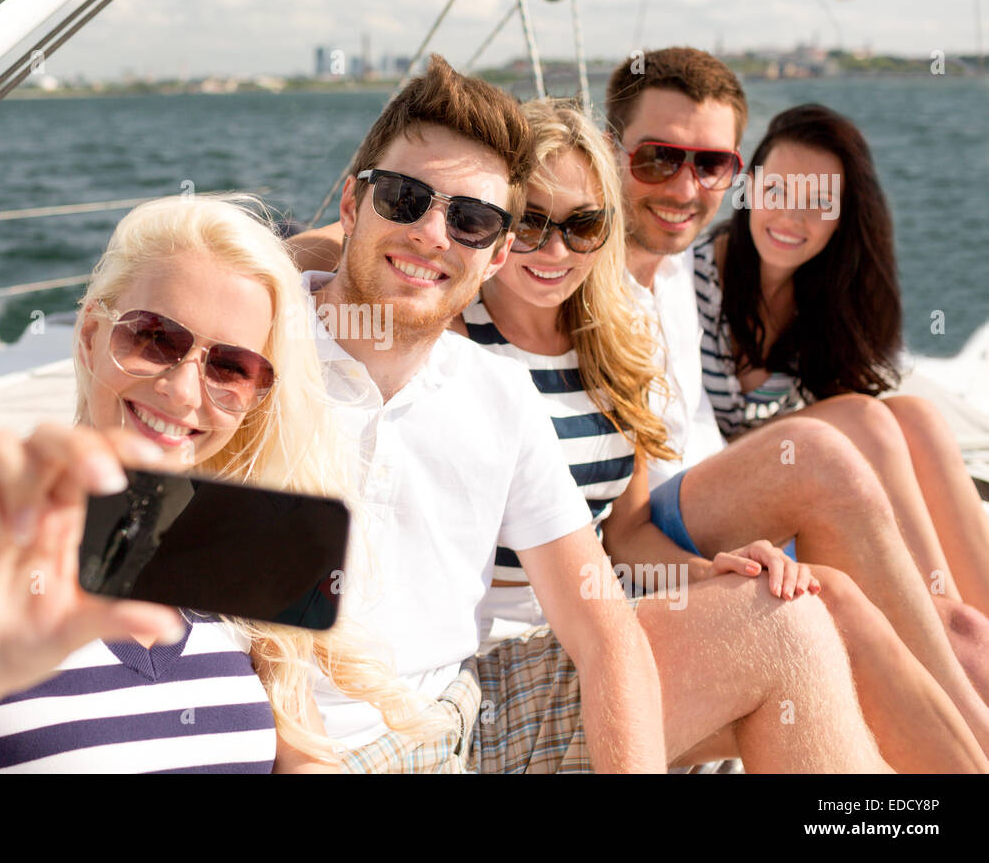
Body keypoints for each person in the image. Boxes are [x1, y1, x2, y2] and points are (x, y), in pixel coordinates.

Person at [291, 54, 889, 772]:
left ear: (494, 246)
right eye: (403, 199)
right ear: (354, 206)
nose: (433, 234)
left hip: (472, 700)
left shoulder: (538, 373)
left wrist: (704, 575)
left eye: (581, 225)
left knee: (795, 613)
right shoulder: (255, 344)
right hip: (401, 698)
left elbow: (609, 591)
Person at [0, 195, 440, 774]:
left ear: (256, 398)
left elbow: (304, 755)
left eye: (231, 368)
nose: (182, 390)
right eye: (154, 339)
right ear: (91, 336)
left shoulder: (241, 554)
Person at [454, 96, 986, 772]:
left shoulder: (616, 341)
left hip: (595, 620)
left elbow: (627, 533)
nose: (555, 249)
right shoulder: (448, 346)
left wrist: (716, 572)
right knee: (790, 616)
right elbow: (374, 241)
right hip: (505, 668)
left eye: (582, 224)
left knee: (818, 598)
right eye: (530, 222)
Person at [597, 46, 989, 753]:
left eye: (710, 165)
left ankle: (965, 634)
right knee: (838, 442)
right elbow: (624, 535)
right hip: (677, 526)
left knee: (951, 610)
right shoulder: (606, 270)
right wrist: (337, 249)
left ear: (731, 172)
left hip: (719, 503)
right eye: (658, 158)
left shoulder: (672, 272)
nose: (685, 186)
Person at [694, 102, 989, 632]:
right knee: (867, 418)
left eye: (818, 202)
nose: (790, 216)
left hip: (772, 493)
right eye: (776, 190)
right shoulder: (690, 281)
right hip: (695, 504)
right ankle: (947, 630)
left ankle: (976, 621)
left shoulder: (824, 301)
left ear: (843, 215)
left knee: (915, 415)